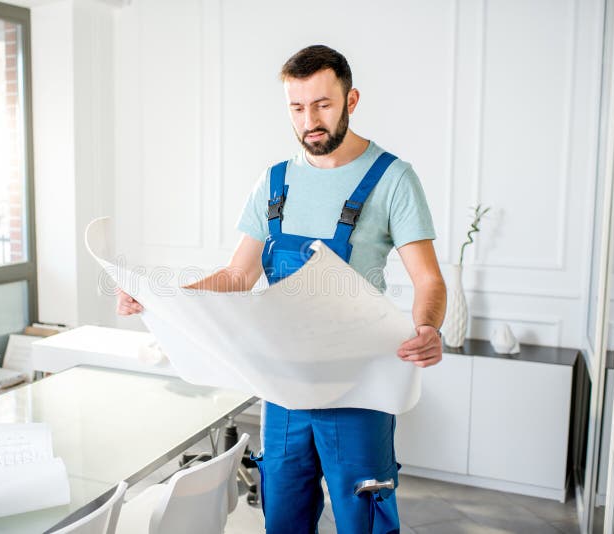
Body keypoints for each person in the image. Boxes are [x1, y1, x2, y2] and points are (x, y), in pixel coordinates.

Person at [118, 44, 446, 534]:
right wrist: (163, 300)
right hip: (284, 386)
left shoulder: (394, 179)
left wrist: (427, 326)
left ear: (351, 100)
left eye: (323, 104)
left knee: (365, 519)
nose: (309, 120)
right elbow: (237, 277)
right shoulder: (274, 183)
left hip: (359, 386)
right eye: (297, 107)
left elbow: (428, 278)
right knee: (283, 514)